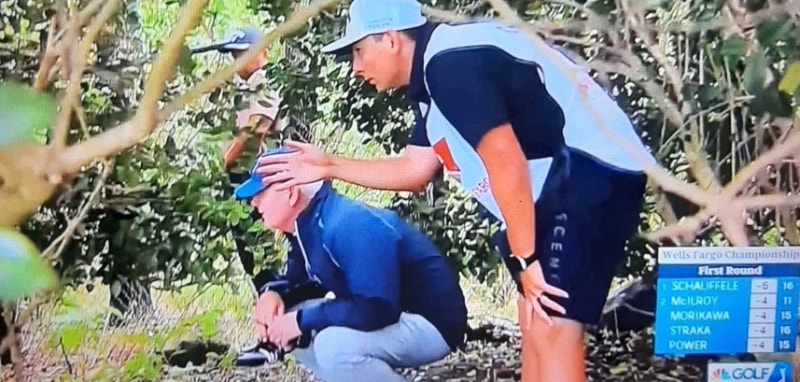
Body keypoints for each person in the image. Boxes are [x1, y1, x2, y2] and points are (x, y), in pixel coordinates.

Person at [254, 0, 655, 381]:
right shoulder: (432, 85)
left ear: (390, 39)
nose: (356, 68)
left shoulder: (449, 63)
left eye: (358, 51)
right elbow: (415, 170)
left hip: (590, 168)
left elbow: (505, 160)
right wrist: (329, 165)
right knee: (533, 318)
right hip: (554, 185)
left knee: (553, 324)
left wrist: (527, 256)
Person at [234, 147, 469, 382]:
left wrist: (301, 321)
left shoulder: (347, 224)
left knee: (332, 346)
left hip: (433, 325)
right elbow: (300, 281)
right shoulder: (309, 225)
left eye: (261, 193)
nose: (254, 202)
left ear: (291, 193)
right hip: (397, 316)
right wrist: (273, 294)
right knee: (287, 315)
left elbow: (378, 308)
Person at [191, 26, 288, 290]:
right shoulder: (242, 88)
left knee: (260, 254)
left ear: (263, 52)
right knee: (249, 254)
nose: (238, 60)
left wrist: (219, 167)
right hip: (238, 177)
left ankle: (283, 307)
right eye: (234, 55)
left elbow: (252, 132)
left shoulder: (268, 84)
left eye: (243, 54)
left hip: (257, 178)